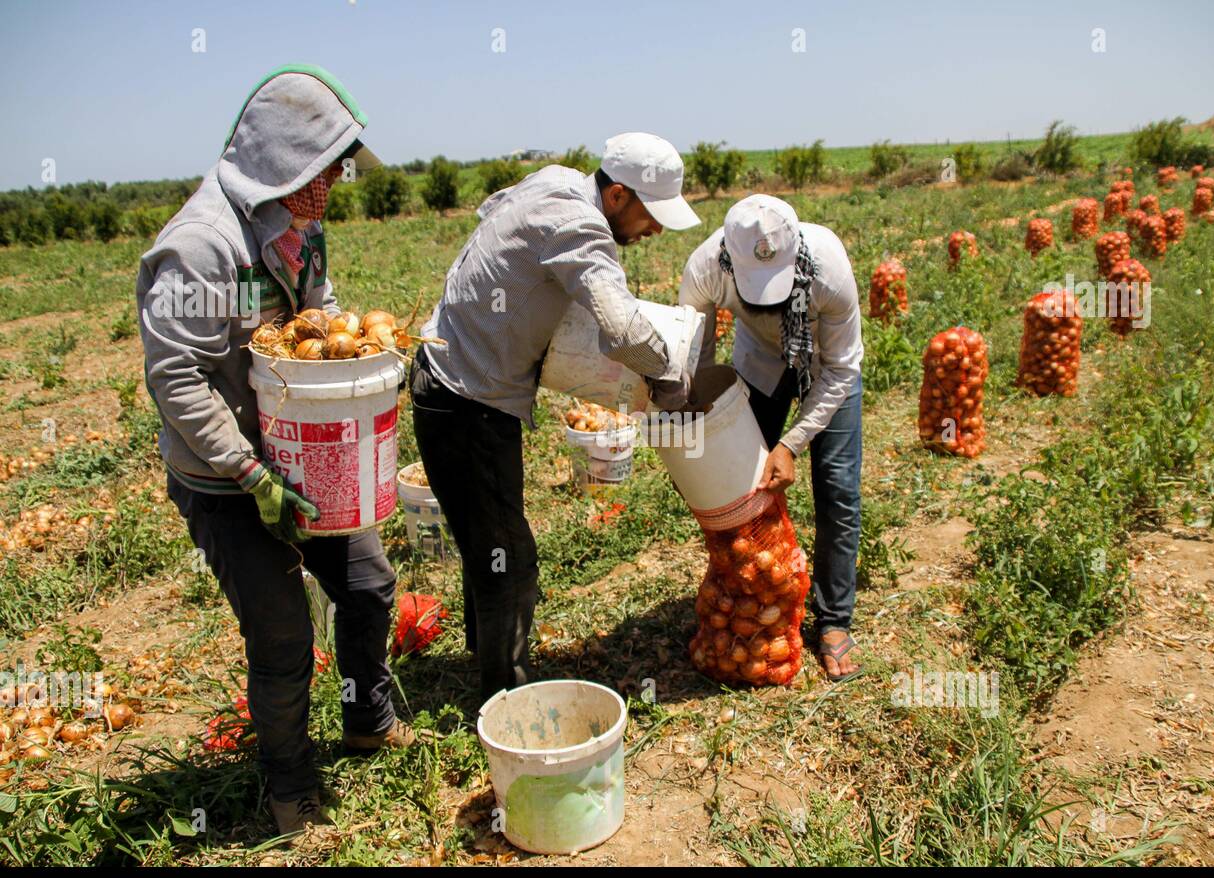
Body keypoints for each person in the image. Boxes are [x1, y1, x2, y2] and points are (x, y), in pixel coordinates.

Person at [137, 65, 411, 839]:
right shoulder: (201, 247)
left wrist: (352, 357)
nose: (332, 185)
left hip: (300, 454)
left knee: (365, 584)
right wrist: (251, 473)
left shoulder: (295, 225)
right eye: (320, 169)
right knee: (285, 631)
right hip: (226, 476)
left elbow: (313, 313)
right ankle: (290, 782)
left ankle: (368, 719)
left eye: (335, 169)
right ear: (282, 163)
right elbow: (176, 376)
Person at [410, 132, 700, 701]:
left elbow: (492, 209)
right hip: (467, 398)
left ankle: (483, 653)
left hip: (452, 379)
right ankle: (507, 703)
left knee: (487, 537)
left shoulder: (556, 181)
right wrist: (667, 375)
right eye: (651, 214)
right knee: (509, 561)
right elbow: (619, 328)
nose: (656, 230)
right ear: (616, 196)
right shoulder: (584, 224)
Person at [679, 195, 865, 680]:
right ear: (730, 259)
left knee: (838, 489)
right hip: (760, 364)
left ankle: (833, 619)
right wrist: (694, 439)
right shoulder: (705, 267)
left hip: (827, 369)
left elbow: (842, 369)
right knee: (743, 486)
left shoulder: (829, 269)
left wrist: (791, 443)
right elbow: (694, 355)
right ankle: (747, 598)